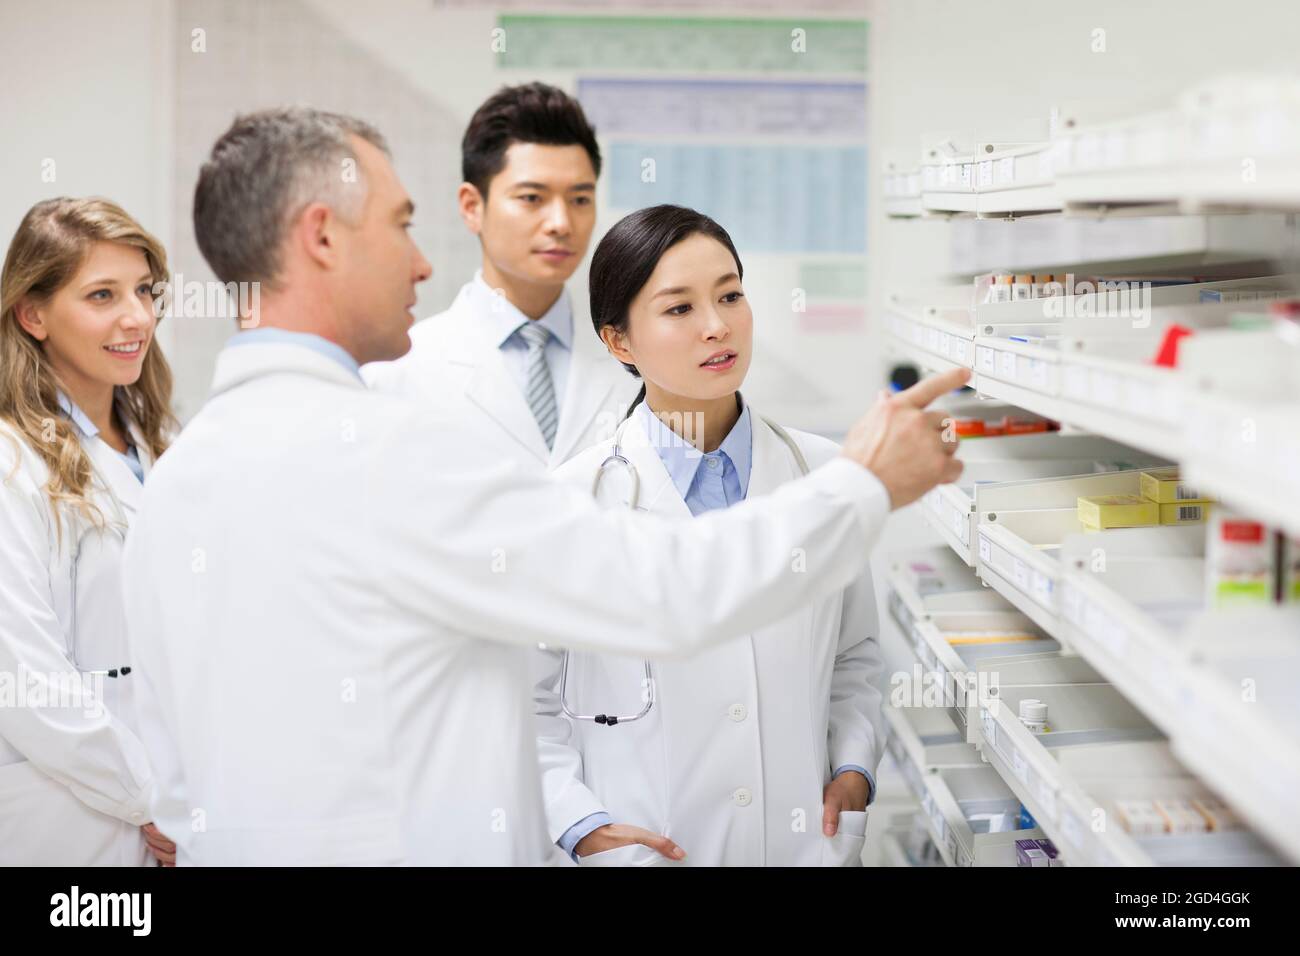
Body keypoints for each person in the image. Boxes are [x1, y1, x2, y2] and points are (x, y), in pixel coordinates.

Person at [121, 107, 967, 865]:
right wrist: (863, 484)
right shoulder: (390, 453)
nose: (421, 263)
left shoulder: (175, 482)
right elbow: (669, 590)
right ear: (322, 237)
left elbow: (167, 776)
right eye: (400, 224)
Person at [534, 206, 885, 867]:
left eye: (730, 294)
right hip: (652, 849)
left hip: (804, 846)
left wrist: (854, 772)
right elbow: (528, 701)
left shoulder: (824, 475)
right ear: (619, 342)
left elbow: (855, 659)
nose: (717, 325)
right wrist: (581, 824)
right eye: (679, 308)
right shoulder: (571, 504)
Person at [0, 197, 177, 865]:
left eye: (144, 291)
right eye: (102, 294)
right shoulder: (10, 463)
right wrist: (150, 796)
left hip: (168, 817)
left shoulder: (160, 445)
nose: (136, 317)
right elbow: (25, 680)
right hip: (67, 830)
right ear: (32, 312)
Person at [364, 83, 638, 469]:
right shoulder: (396, 370)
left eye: (580, 199)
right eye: (532, 198)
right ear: (472, 207)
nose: (561, 223)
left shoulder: (640, 367)